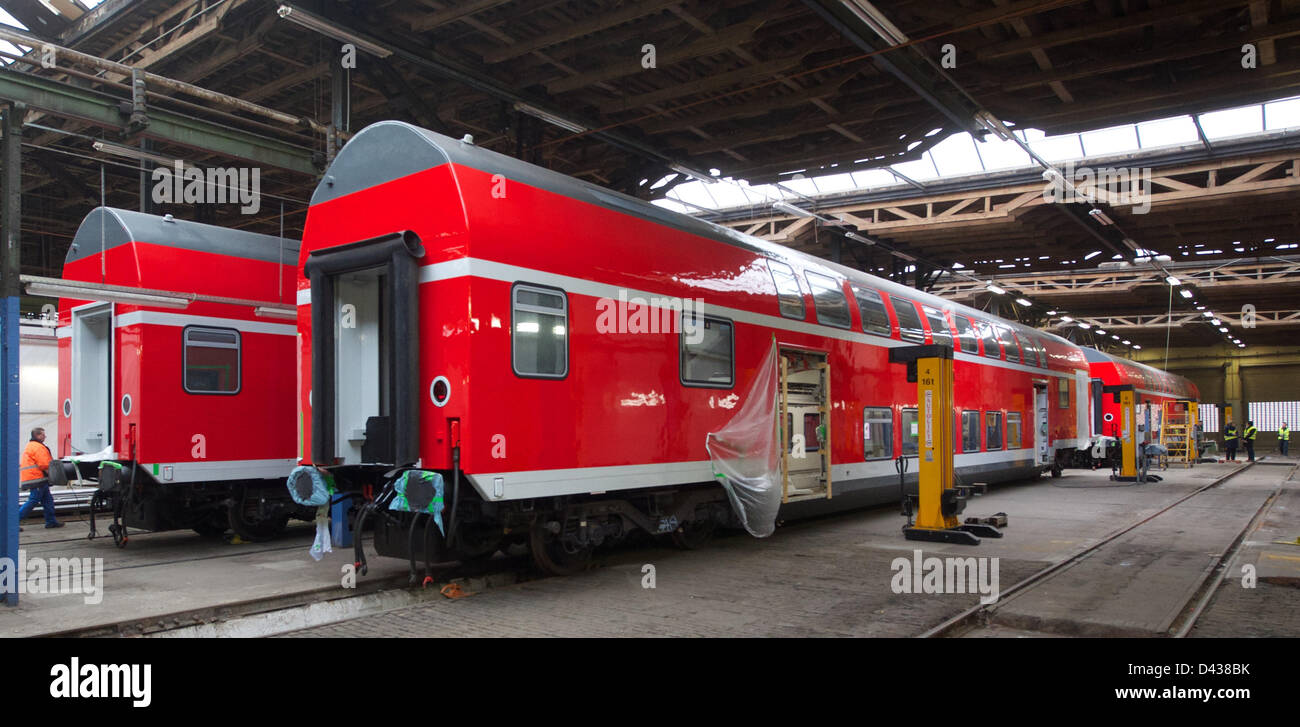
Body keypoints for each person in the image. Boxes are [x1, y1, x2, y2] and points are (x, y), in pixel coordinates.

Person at [18, 427, 63, 529]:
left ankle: (51, 521)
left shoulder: (31, 445)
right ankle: (13, 521)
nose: (45, 436)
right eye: (43, 434)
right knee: (33, 500)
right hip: (36, 478)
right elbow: (44, 464)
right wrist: (53, 476)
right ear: (38, 435)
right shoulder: (38, 447)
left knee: (48, 500)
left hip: (34, 477)